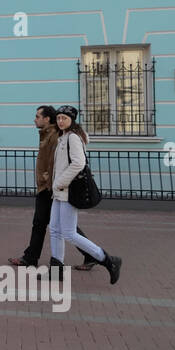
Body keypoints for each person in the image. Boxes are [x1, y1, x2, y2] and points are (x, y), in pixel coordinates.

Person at [9, 105, 97, 276]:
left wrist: (50, 181)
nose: (35, 119)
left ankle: (32, 258)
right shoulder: (47, 134)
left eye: (37, 116)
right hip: (48, 185)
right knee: (53, 225)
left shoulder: (55, 136)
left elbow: (58, 162)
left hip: (51, 186)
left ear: (46, 119)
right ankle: (32, 257)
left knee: (46, 224)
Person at [48, 106, 121, 285]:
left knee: (69, 233)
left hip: (68, 191)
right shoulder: (63, 137)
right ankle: (56, 271)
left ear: (72, 120)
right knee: (55, 230)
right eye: (58, 118)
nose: (60, 121)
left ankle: (107, 260)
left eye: (64, 118)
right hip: (60, 192)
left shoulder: (73, 137)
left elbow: (79, 163)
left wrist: (59, 182)